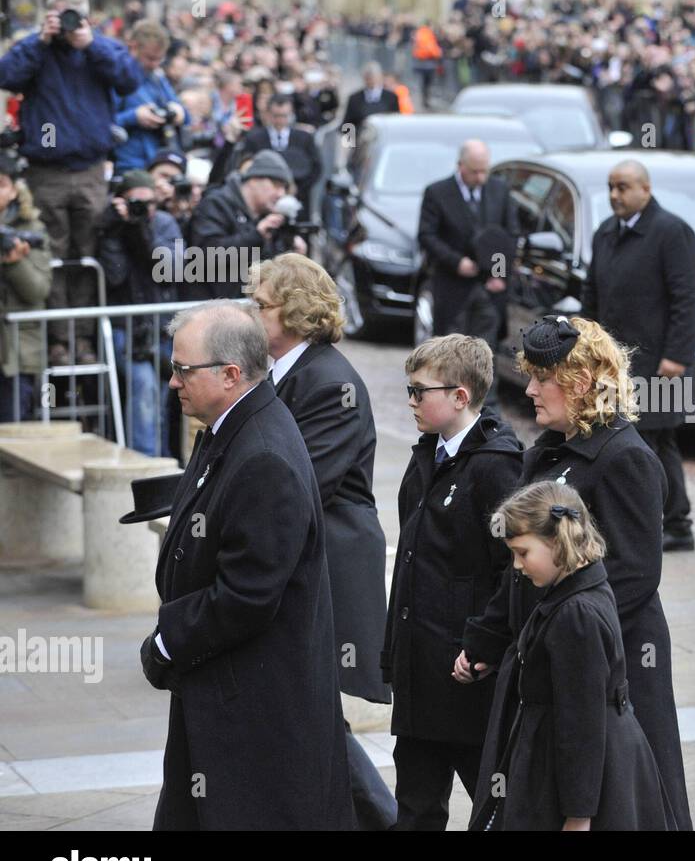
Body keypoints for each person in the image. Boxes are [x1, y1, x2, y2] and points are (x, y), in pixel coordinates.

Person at [457, 315, 692, 829]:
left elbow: (633, 574)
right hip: (551, 659)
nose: (531, 389)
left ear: (581, 383)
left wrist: (551, 630)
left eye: (543, 379)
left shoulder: (625, 457)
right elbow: (517, 570)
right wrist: (487, 640)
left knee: (623, 803)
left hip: (613, 663)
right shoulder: (546, 454)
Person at [142, 300, 353, 830]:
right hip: (224, 693)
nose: (173, 382)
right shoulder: (229, 425)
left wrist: (167, 641)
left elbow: (247, 597)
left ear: (231, 374)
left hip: (253, 710)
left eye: (183, 369)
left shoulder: (262, 454)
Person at [247, 254, 395, 829]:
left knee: (311, 708)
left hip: (328, 564)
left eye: (261, 305)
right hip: (305, 560)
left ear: (298, 312)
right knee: (304, 708)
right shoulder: (286, 374)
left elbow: (299, 483)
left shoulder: (331, 382)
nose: (250, 314)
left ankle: (382, 819)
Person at [471, 480, 675, 831]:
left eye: (523, 553)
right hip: (561, 758)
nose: (517, 566)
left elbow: (582, 720)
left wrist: (579, 815)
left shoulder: (576, 614)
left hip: (580, 774)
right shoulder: (578, 589)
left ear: (556, 542)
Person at [382, 334, 522, 830]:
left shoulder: (496, 467)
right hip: (419, 671)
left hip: (466, 676)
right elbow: (411, 563)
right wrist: (392, 650)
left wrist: (483, 645)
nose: (412, 400)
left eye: (421, 391)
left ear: (460, 396)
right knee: (415, 808)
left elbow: (513, 569)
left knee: (497, 807)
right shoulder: (426, 455)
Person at [0, 0, 142, 365]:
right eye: (59, 15)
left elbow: (130, 79)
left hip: (92, 169)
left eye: (72, 16)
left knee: (87, 255)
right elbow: (7, 76)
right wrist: (40, 40)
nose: (65, 23)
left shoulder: (100, 48)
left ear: (86, 17)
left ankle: (83, 338)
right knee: (52, 257)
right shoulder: (35, 49)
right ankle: (57, 340)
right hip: (47, 171)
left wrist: (89, 44)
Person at [580, 160, 695, 551]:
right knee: (622, 438)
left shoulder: (671, 232)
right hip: (615, 364)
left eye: (623, 187)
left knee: (655, 441)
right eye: (610, 187)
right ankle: (638, 517)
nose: (615, 195)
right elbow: (593, 294)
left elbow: (689, 298)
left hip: (661, 363)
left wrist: (677, 357)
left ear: (645, 189)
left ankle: (676, 524)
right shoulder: (606, 233)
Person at [96, 170, 183, 456]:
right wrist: (114, 230)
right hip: (127, 330)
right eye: (135, 202)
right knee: (145, 391)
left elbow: (170, 269)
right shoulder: (112, 226)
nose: (143, 209)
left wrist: (140, 232)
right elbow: (114, 276)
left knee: (161, 400)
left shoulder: (164, 223)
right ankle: (146, 467)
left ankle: (162, 466)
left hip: (161, 328)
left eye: (149, 202)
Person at [416, 140, 517, 353]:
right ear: (461, 166)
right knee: (451, 352)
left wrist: (498, 273)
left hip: (489, 289)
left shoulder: (499, 190)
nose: (480, 177)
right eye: (474, 172)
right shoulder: (437, 193)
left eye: (484, 171)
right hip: (453, 288)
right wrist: (457, 262)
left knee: (486, 353)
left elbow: (508, 236)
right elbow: (427, 236)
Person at [189, 149, 306, 299]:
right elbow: (205, 256)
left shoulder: (268, 216)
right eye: (276, 185)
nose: (281, 194)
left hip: (249, 308)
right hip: (214, 308)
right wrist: (256, 235)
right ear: (253, 180)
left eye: (284, 187)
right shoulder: (215, 204)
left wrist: (289, 250)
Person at [0, 154, 52, 422]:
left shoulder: (32, 229)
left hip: (15, 356)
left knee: (12, 441)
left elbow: (38, 291)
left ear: (13, 190)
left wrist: (13, 264)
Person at [113, 20, 187, 173]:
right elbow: (101, 124)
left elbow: (184, 115)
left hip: (159, 161)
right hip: (128, 164)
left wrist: (178, 112)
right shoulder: (115, 76)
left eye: (159, 59)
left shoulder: (157, 78)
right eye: (150, 58)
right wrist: (134, 117)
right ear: (133, 47)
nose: (155, 64)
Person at [236, 94, 322, 217]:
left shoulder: (305, 138)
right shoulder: (254, 139)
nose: (280, 120)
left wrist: (297, 189)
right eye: (276, 116)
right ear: (269, 115)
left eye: (284, 116)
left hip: (299, 200)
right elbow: (246, 167)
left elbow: (316, 168)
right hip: (263, 204)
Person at [341, 63, 399, 134]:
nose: (370, 80)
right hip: (360, 140)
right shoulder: (354, 99)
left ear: (380, 77)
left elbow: (396, 121)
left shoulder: (391, 97)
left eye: (372, 76)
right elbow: (347, 124)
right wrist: (351, 142)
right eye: (367, 77)